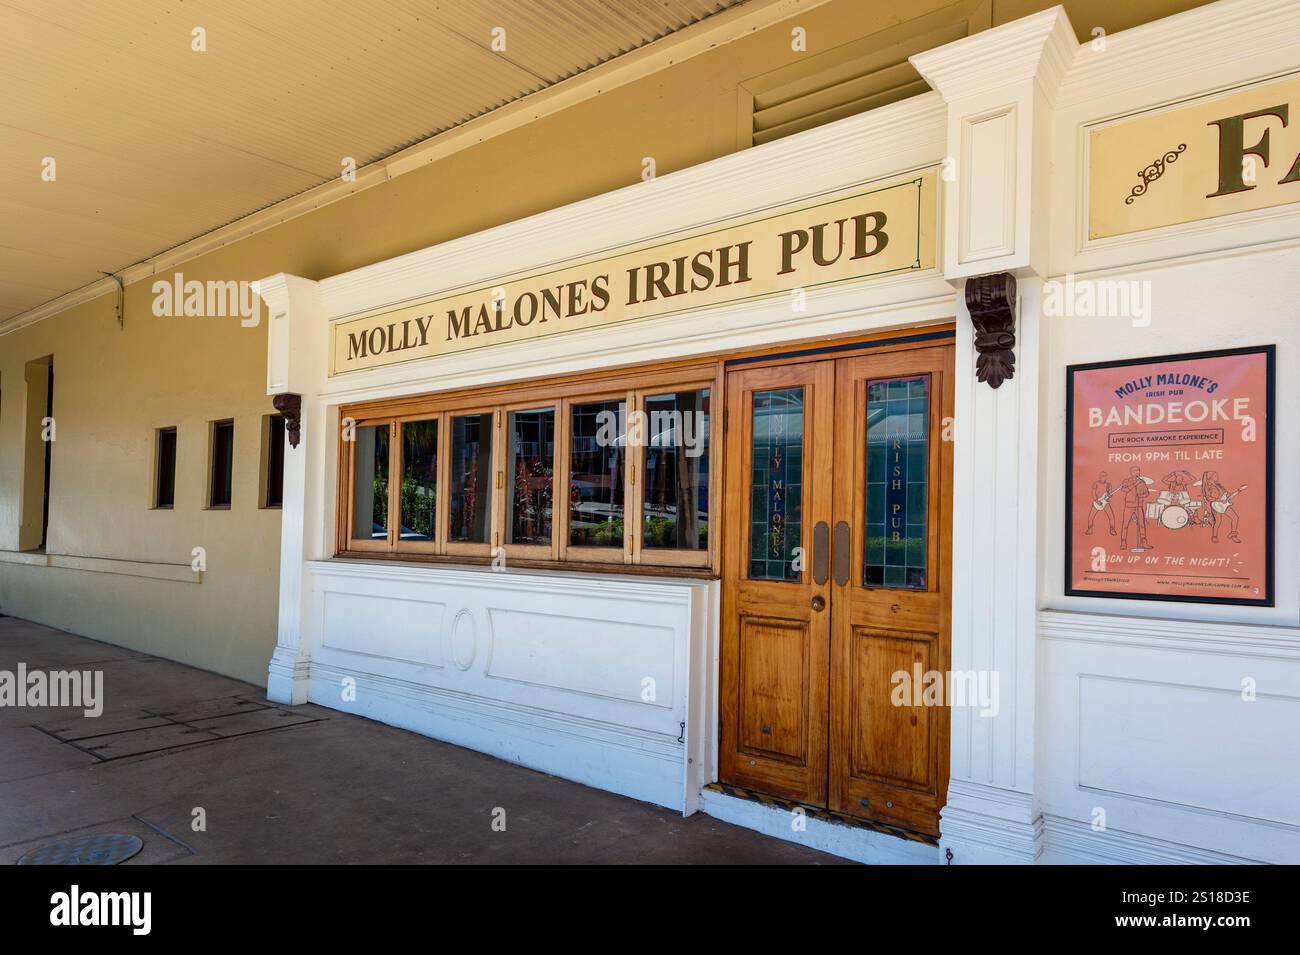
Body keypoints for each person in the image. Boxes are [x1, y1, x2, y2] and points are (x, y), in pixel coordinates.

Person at [1198, 470, 1242, 544]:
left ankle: (1233, 535)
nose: (1217, 476)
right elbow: (1208, 498)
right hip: (1216, 505)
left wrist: (1232, 495)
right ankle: (1214, 536)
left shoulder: (1219, 485)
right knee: (1218, 521)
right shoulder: (1207, 487)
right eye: (1215, 475)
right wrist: (1219, 500)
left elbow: (1226, 494)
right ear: (1210, 478)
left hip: (1224, 504)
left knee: (1235, 517)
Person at [1118, 465, 1153, 550]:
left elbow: (1147, 493)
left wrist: (1141, 495)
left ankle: (1144, 543)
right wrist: (1133, 485)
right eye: (1135, 471)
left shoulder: (1142, 482)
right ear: (1131, 472)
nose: (1137, 473)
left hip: (1138, 506)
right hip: (1129, 506)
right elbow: (1124, 489)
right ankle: (1123, 542)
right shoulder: (1126, 481)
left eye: (1138, 471)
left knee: (1141, 525)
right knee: (1125, 525)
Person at [1085, 470, 1116, 536]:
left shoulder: (1108, 484)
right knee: (1091, 516)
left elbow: (1109, 493)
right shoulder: (1096, 483)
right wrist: (1096, 500)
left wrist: (1109, 497)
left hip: (1105, 503)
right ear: (1099, 477)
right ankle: (1090, 529)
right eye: (1102, 476)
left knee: (1111, 516)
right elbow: (1093, 492)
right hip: (1097, 502)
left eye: (1104, 476)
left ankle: (1112, 529)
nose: (1103, 477)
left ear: (1106, 477)